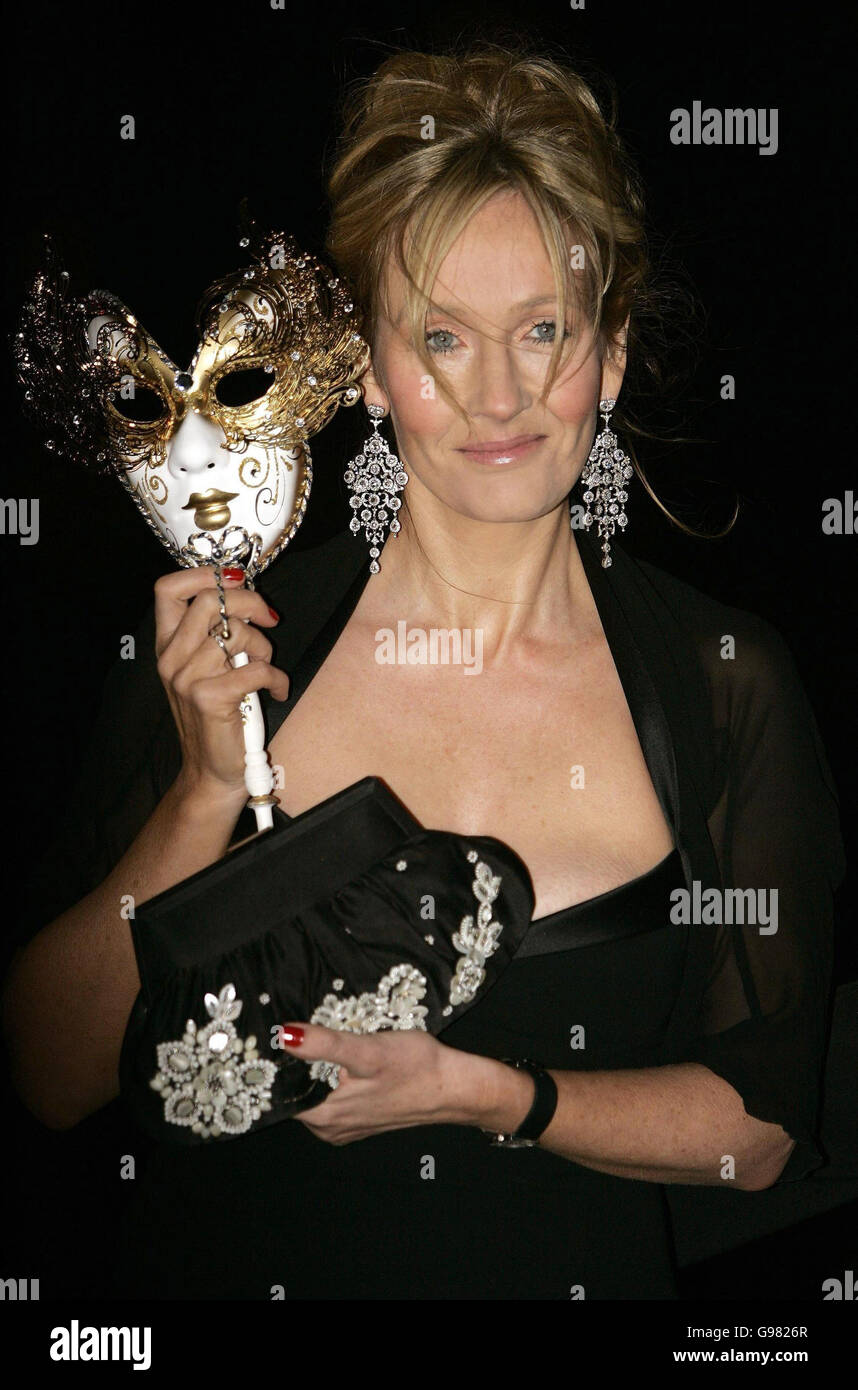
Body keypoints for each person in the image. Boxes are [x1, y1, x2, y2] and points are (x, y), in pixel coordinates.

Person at [1, 42, 846, 1300]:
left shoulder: (724, 683)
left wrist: (492, 1095)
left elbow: (761, 1134)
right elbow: (46, 1074)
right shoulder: (234, 649)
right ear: (377, 369)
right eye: (443, 336)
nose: (500, 396)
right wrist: (198, 796)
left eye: (543, 332)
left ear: (609, 353)